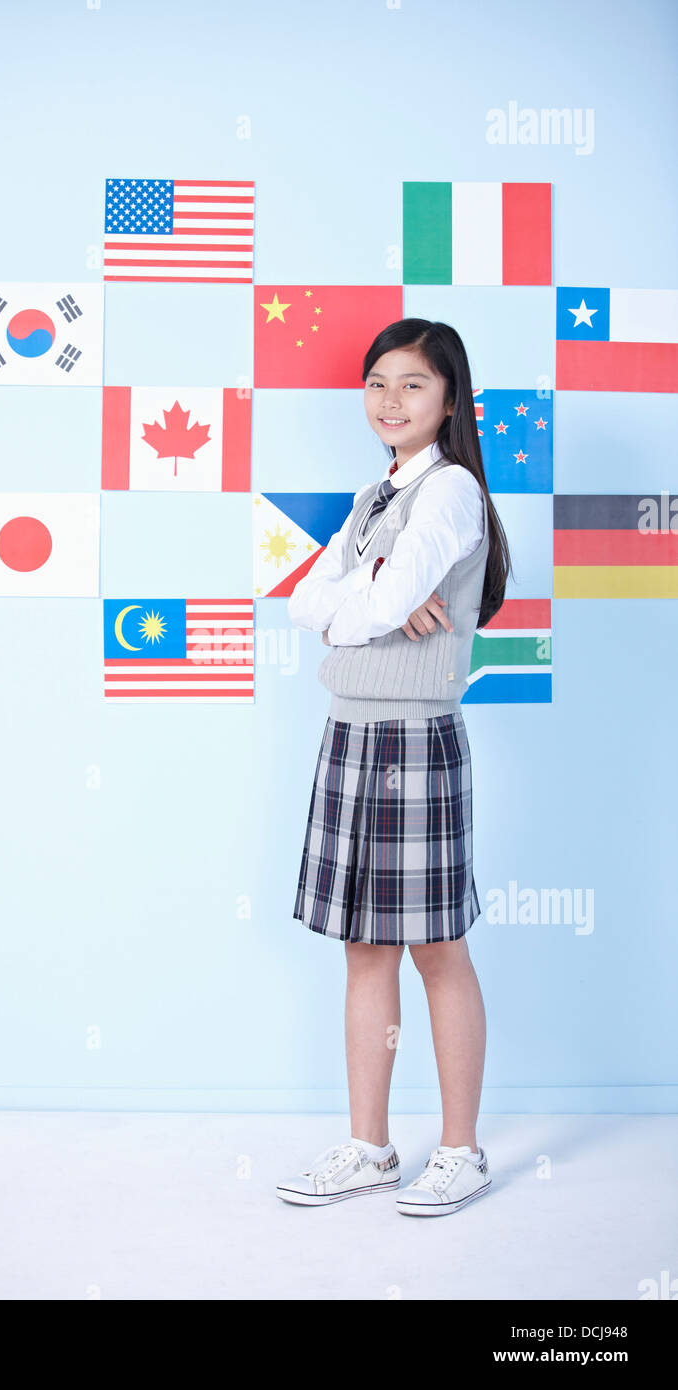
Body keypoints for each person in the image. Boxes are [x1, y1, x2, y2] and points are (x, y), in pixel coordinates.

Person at [277, 318, 512, 1216]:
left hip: (415, 738)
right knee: (364, 947)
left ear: (450, 399)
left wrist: (372, 600)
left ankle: (461, 1150)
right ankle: (370, 1147)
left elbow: (367, 604)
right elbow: (309, 601)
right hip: (350, 730)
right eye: (377, 382)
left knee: (437, 948)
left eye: (413, 385)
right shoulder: (377, 494)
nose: (390, 401)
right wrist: (367, 598)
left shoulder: (448, 492)